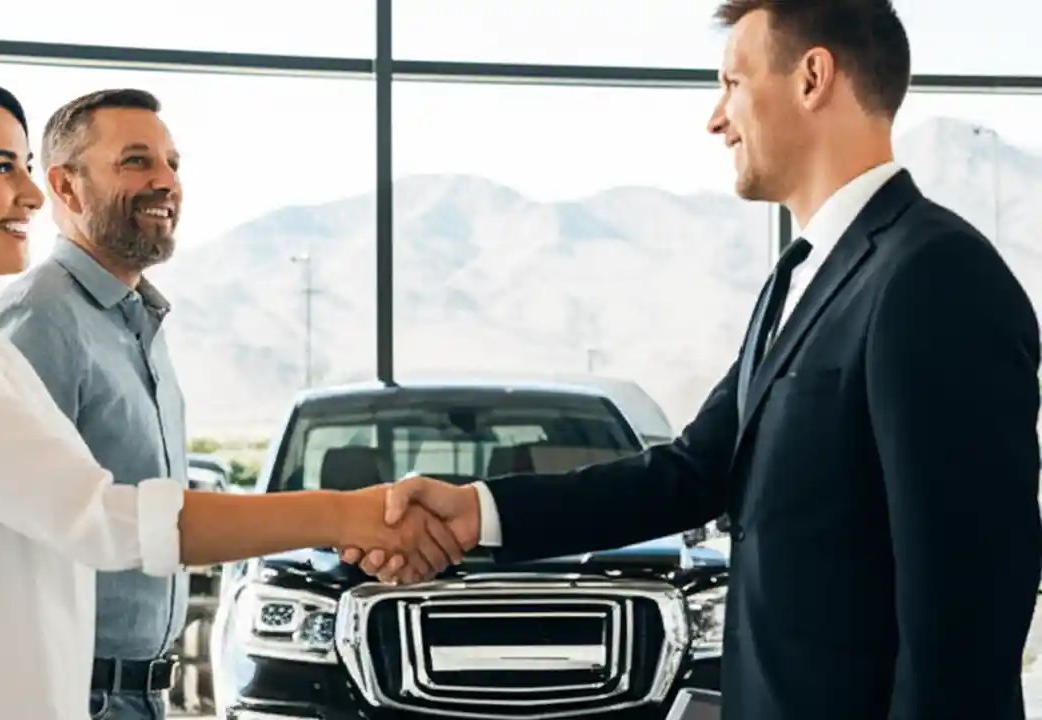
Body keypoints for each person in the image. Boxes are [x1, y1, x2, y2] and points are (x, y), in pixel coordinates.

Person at [347, 2, 1042, 719]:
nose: (717, 118)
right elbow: (691, 473)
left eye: (732, 84)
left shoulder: (935, 275)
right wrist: (476, 512)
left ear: (812, 77)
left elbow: (967, 603)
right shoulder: (799, 280)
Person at [0, 73, 459, 720]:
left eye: (27, 167)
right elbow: (98, 518)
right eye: (1, 167)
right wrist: (345, 515)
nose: (32, 194)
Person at [0, 88, 190, 720]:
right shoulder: (39, 321)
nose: (166, 182)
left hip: (142, 694)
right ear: (66, 188)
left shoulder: (139, 322)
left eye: (172, 163)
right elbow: (10, 531)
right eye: (136, 162)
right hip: (78, 696)